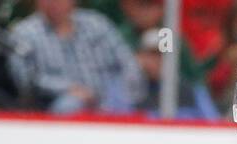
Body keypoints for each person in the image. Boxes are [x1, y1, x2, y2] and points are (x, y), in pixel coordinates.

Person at [8, 0, 145, 114]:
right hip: (61, 103)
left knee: (126, 100)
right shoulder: (25, 32)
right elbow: (26, 77)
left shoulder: (96, 23)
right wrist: (68, 88)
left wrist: (122, 93)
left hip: (110, 97)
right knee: (68, 105)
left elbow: (127, 62)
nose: (54, 3)